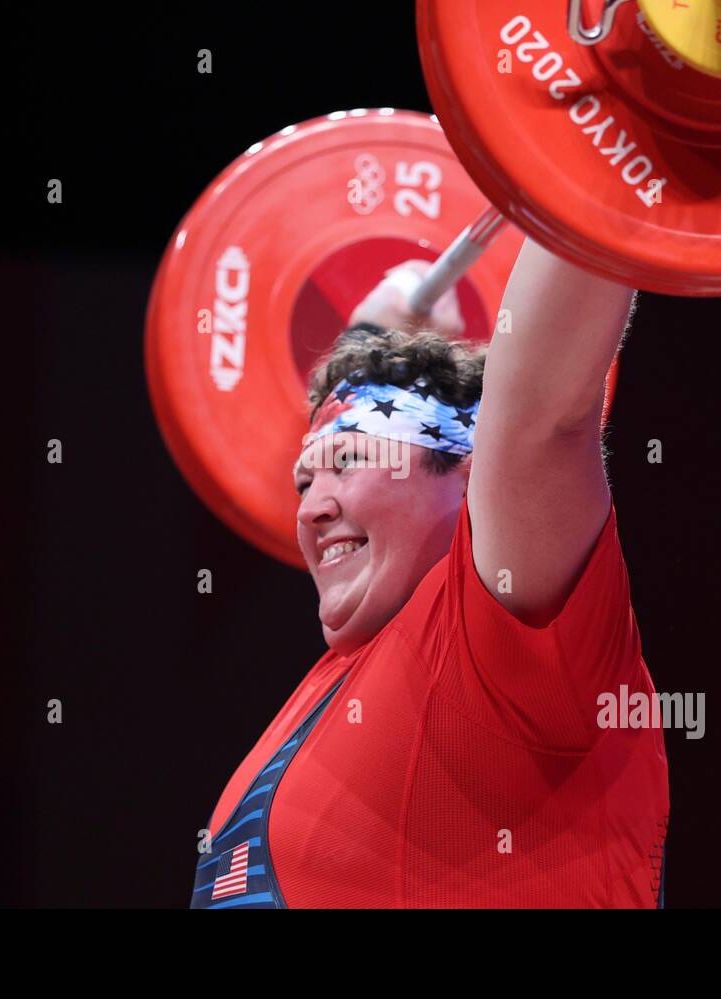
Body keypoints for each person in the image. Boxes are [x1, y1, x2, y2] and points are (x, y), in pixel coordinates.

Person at [190, 238, 669, 908]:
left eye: (349, 461)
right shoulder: (350, 673)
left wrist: (593, 156)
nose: (310, 508)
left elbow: (542, 423)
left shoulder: (494, 642)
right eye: (303, 480)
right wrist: (372, 336)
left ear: (471, 474)